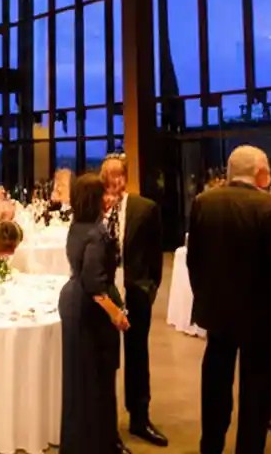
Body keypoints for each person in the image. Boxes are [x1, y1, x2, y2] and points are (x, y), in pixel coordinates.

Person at [188, 146, 271, 453]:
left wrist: (203, 298)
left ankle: (210, 445)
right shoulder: (268, 207)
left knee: (215, 383)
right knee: (257, 389)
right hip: (259, 317)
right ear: (258, 172)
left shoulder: (203, 202)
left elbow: (193, 260)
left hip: (218, 312)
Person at [59, 173, 130, 454]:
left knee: (79, 377)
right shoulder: (97, 233)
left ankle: (82, 441)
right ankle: (98, 443)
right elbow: (94, 283)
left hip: (73, 299)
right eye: (104, 193)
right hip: (89, 307)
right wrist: (117, 314)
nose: (108, 198)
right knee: (97, 376)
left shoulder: (77, 226)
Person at [100, 155, 167, 447]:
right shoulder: (93, 210)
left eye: (118, 175)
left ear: (126, 177)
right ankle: (105, 425)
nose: (114, 181)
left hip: (135, 291)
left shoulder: (144, 208)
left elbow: (155, 255)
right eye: (108, 177)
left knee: (138, 356)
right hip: (102, 295)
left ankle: (140, 418)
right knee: (104, 360)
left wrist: (149, 289)